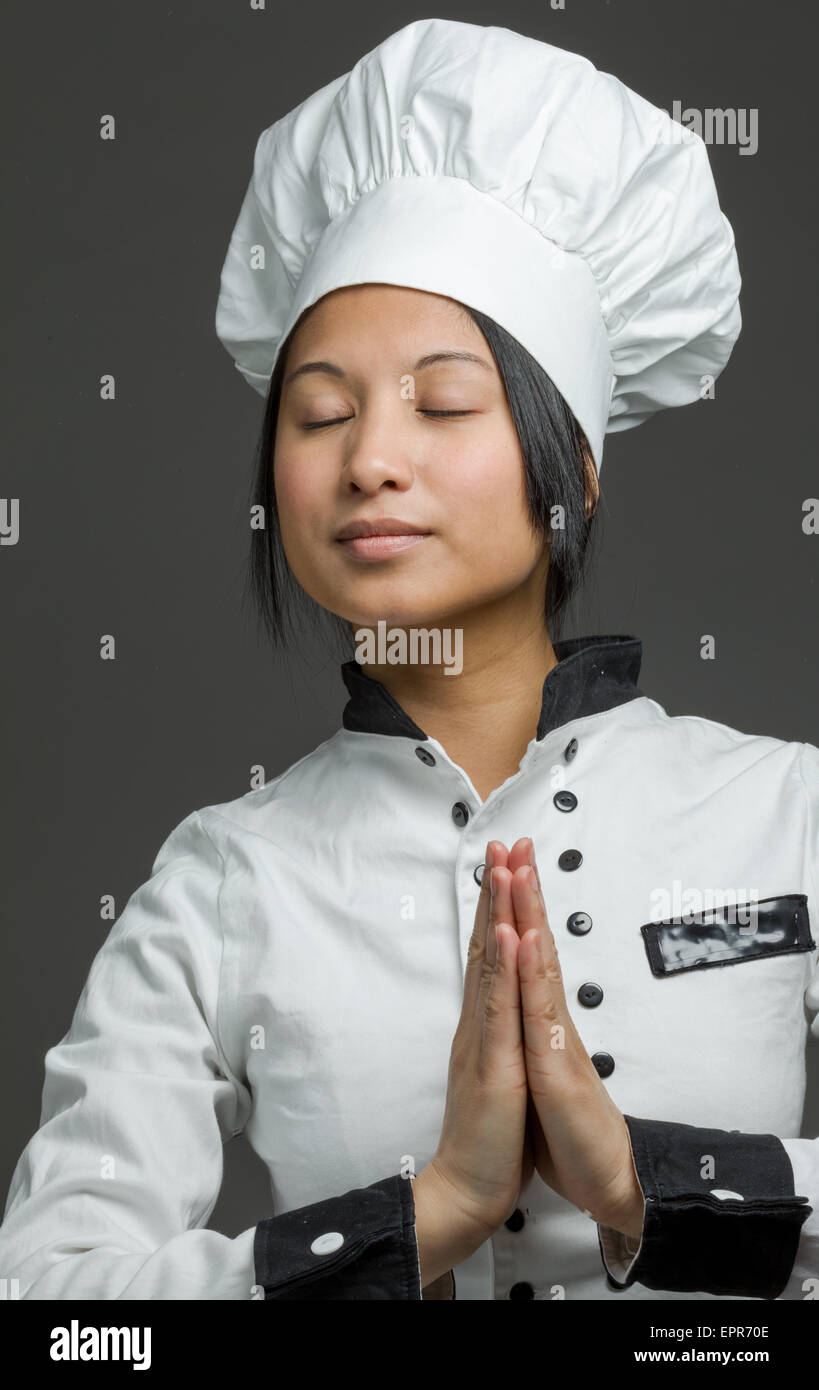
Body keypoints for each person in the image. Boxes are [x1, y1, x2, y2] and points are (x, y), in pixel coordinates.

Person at [1, 17, 816, 1301]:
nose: (369, 456)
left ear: (577, 468)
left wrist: (647, 1181)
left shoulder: (789, 814)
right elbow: (62, 1319)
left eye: (441, 403)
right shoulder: (226, 880)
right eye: (320, 411)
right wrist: (418, 1219)